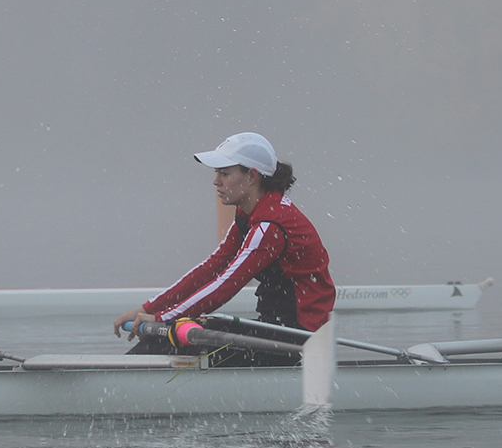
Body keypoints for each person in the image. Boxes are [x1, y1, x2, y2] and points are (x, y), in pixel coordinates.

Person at [113, 132, 335, 367]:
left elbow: (226, 284)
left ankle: (123, 385)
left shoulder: (270, 226)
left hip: (298, 338)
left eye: (225, 173)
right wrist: (148, 308)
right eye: (216, 173)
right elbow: (212, 268)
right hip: (274, 327)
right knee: (186, 330)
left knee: (185, 332)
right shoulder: (250, 212)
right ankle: (127, 378)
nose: (216, 181)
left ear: (251, 176)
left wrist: (161, 319)